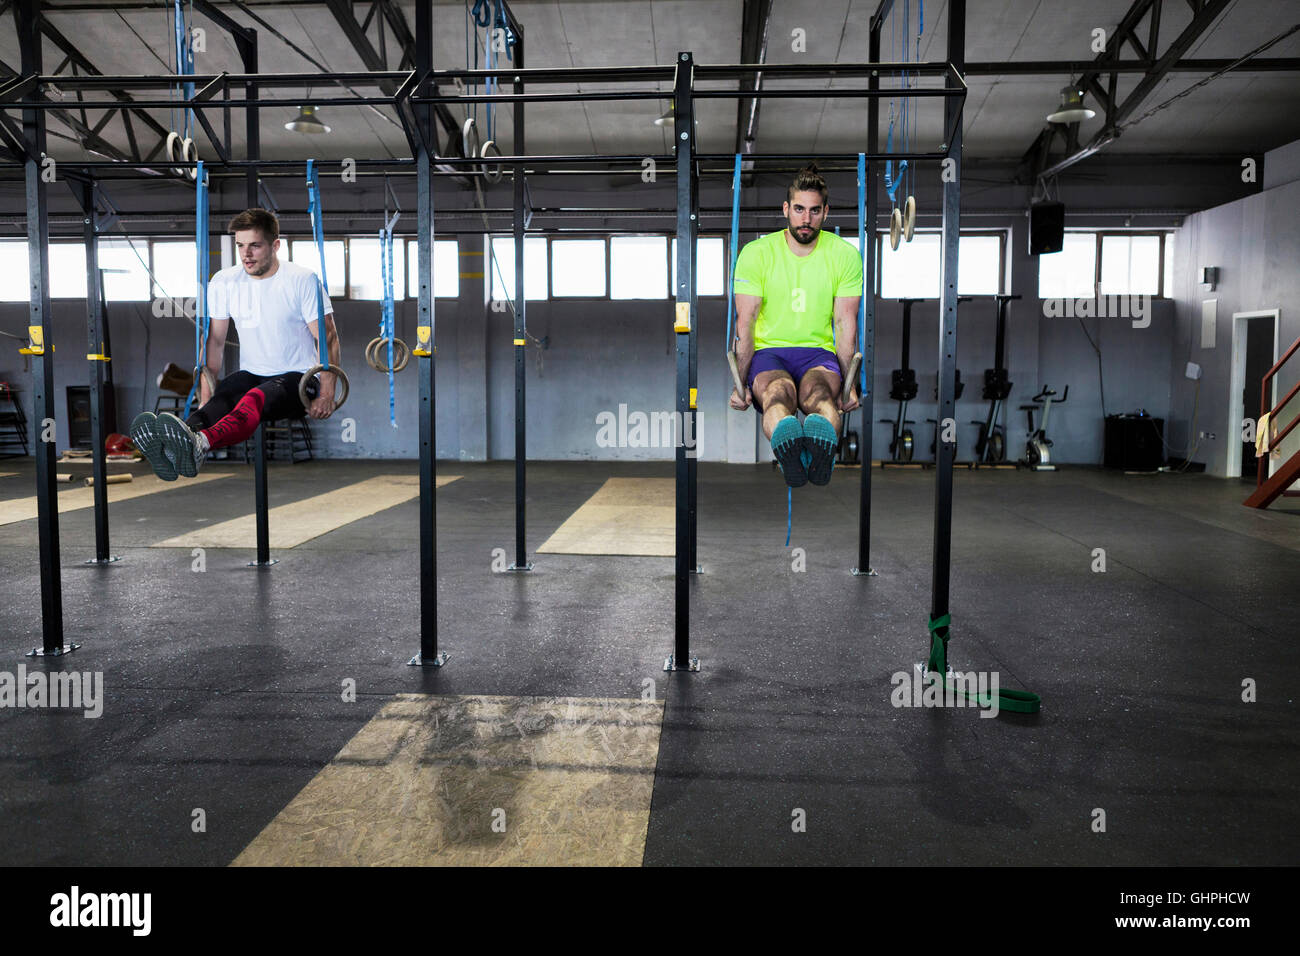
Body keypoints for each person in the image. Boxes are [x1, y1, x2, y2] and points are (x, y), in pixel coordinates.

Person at [130, 208, 342, 480]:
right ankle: (175, 444)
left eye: (255, 245)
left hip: (299, 379)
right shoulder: (224, 281)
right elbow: (216, 340)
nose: (246, 254)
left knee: (252, 398)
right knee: (223, 397)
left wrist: (326, 393)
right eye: (240, 245)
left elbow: (328, 337)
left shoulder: (302, 279)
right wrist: (205, 397)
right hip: (253, 373)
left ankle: (202, 444)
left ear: (275, 245)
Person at [729, 164, 862, 486]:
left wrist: (849, 384)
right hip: (769, 352)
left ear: (826, 212)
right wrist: (742, 382)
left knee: (804, 397)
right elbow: (744, 323)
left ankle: (815, 447)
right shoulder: (757, 253)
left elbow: (846, 325)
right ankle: (809, 449)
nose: (806, 219)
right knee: (787, 394)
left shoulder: (844, 255)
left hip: (818, 352)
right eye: (799, 209)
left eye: (815, 211)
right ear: (786, 209)